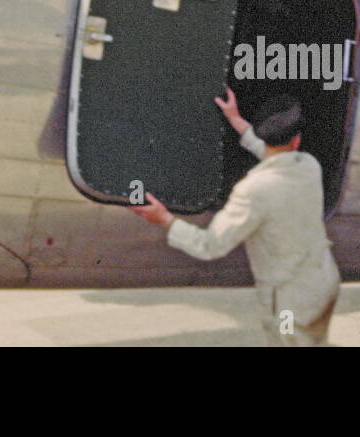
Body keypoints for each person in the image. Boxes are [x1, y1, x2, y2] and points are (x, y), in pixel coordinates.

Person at [129, 88, 341, 346]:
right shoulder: (308, 165)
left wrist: (164, 219)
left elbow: (210, 245)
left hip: (289, 304)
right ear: (295, 141)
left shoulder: (254, 190)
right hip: (322, 285)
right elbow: (275, 154)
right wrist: (235, 119)